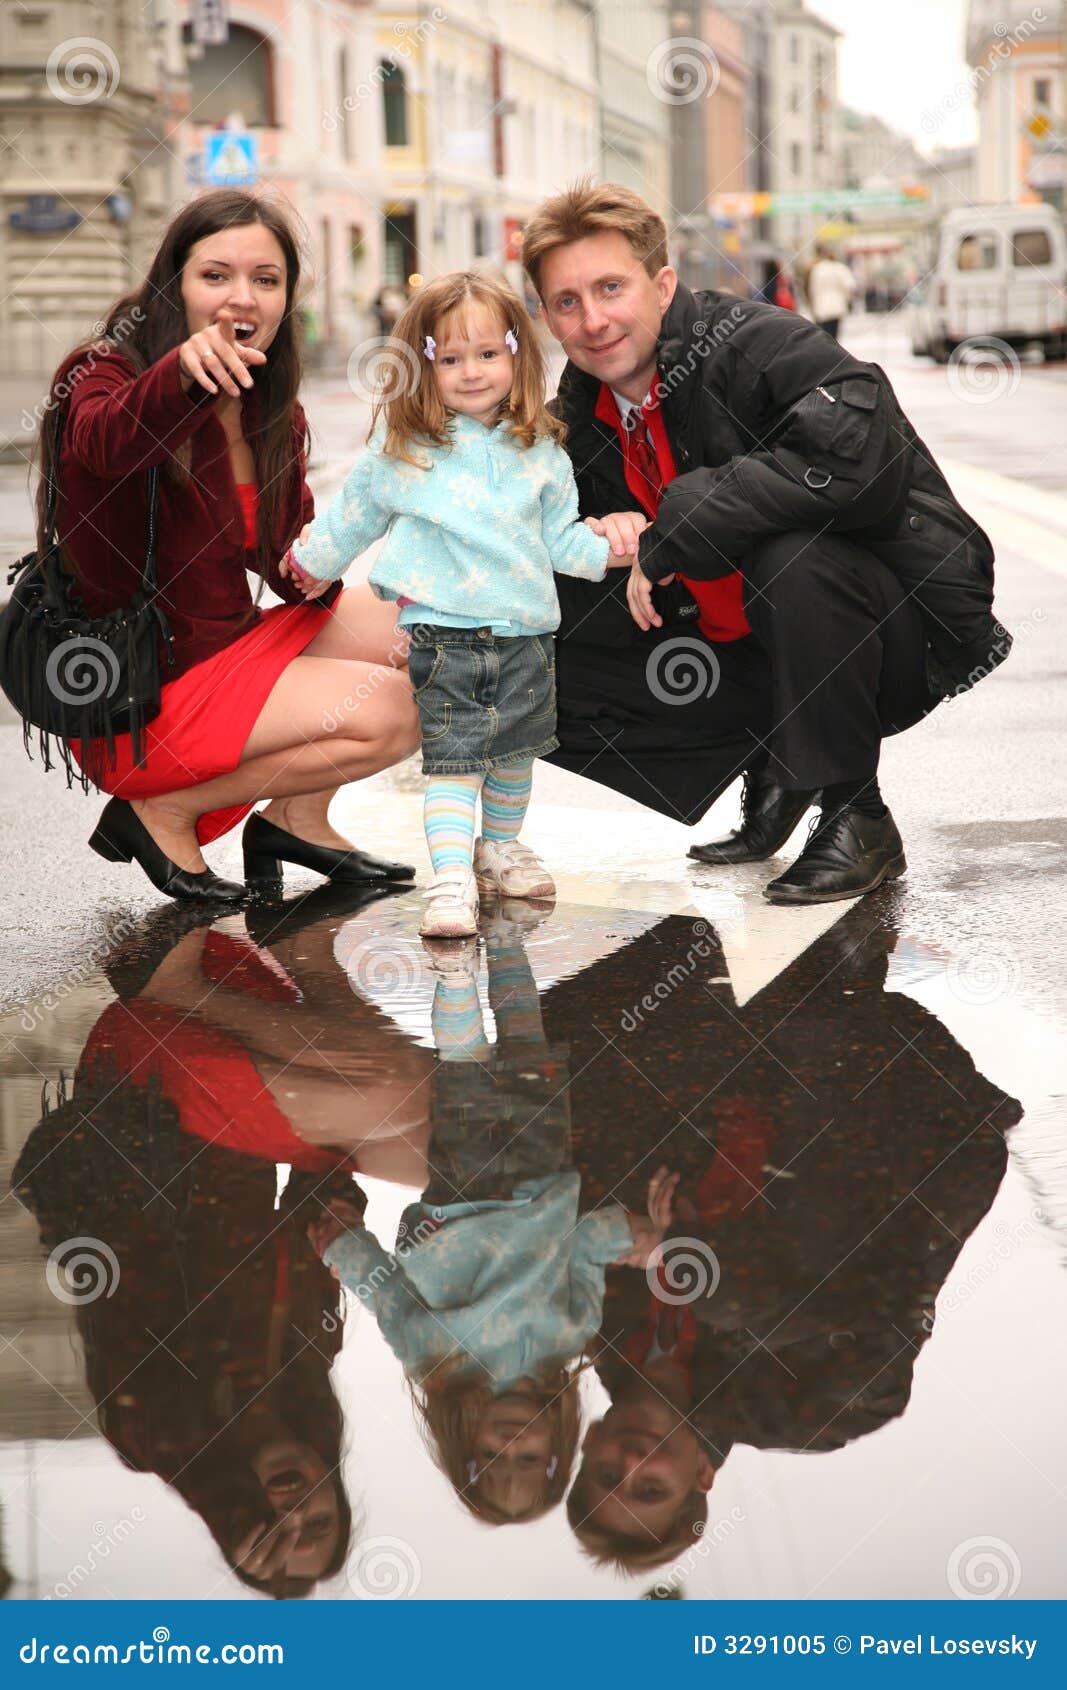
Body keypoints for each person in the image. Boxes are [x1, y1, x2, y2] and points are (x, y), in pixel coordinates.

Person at [518, 180, 1008, 904]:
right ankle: (774, 755)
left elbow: (860, 468)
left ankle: (856, 814)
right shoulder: (582, 412)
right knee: (522, 626)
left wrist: (674, 522)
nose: (593, 320)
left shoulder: (757, 343)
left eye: (610, 288)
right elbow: (528, 531)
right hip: (740, 645)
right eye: (566, 302)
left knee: (793, 559)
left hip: (898, 626)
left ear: (660, 285)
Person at [36, 187, 419, 903]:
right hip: (144, 689)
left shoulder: (271, 403)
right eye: (215, 276)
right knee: (395, 711)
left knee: (435, 630)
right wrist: (180, 376)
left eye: (264, 280)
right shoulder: (101, 375)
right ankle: (162, 810)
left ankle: (296, 820)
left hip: (227, 650)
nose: (241, 299)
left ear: (285, 298)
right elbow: (105, 443)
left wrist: (406, 510)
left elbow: (289, 571)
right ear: (172, 285)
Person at [283, 269, 634, 937]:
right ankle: (448, 877)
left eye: (486, 355)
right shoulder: (407, 453)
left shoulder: (541, 453)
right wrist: (309, 562)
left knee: (516, 755)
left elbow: (562, 542)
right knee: (453, 760)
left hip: (528, 634)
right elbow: (350, 519)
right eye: (449, 359)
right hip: (444, 638)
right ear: (424, 366)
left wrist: (620, 550)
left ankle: (496, 850)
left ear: (514, 357)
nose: (471, 373)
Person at [308, 926, 679, 1524]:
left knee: (463, 1072)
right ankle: (507, 945)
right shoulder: (572, 1337)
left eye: (491, 1456)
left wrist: (342, 1245)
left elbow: (387, 1296)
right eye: (528, 1459)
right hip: (544, 1176)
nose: (511, 1443)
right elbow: (583, 1248)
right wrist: (641, 1240)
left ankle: (455, 976)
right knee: (528, 1046)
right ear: (554, 1448)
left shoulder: (434, 1360)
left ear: (465, 1443)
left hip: (462, 1199)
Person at [806, 243, 857, 340]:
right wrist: (848, 299)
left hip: (821, 307)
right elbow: (850, 285)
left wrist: (812, 305)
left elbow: (812, 290)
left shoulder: (817, 269)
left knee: (823, 336)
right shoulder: (840, 268)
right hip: (837, 306)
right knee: (834, 336)